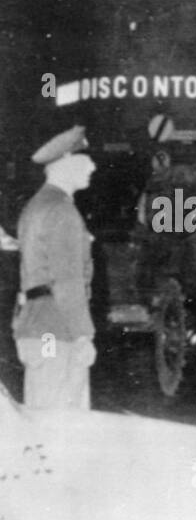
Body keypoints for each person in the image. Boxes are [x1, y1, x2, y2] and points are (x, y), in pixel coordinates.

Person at [13, 125, 97, 408]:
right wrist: (84, 335)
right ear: (66, 163)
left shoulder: (35, 206)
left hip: (38, 327)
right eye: (86, 161)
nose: (93, 167)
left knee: (41, 412)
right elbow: (68, 281)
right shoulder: (63, 212)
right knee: (62, 422)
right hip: (57, 331)